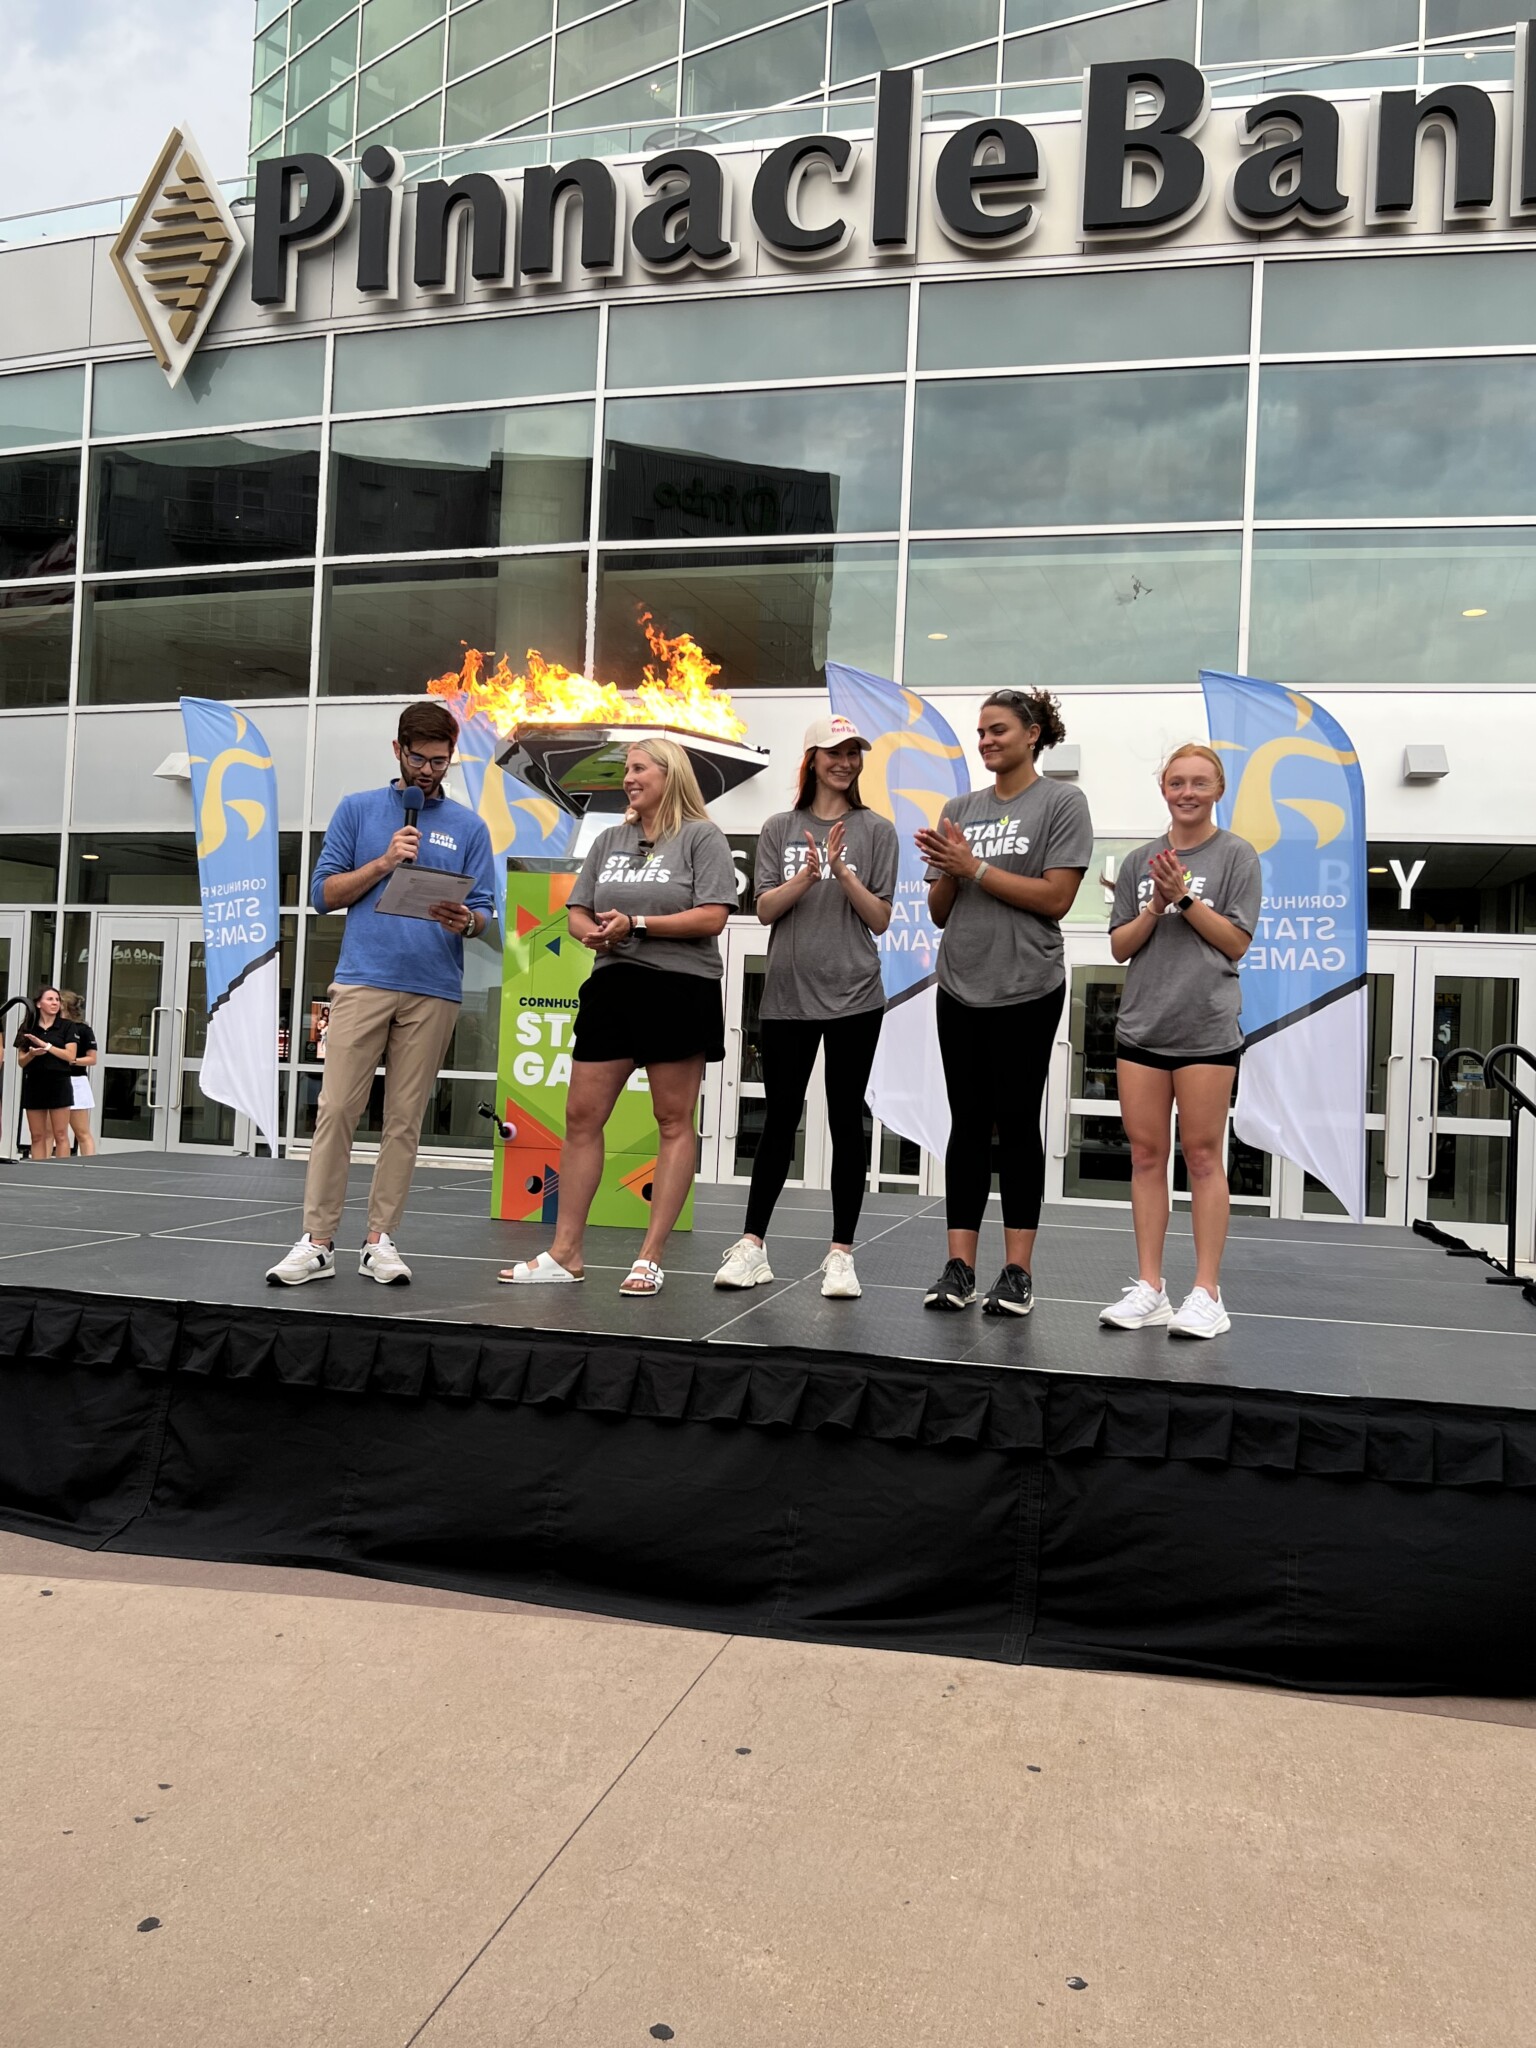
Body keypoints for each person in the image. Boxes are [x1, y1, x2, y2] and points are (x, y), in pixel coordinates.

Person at [266, 700, 497, 1287]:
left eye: (441, 762)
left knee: (404, 1121)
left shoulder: (470, 827)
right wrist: (384, 862)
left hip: (434, 988)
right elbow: (323, 894)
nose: (429, 771)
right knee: (336, 1109)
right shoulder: (357, 810)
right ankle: (317, 1242)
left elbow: (487, 915)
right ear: (398, 751)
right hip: (363, 979)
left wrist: (464, 922)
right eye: (420, 759)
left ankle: (380, 1241)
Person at [500, 736, 737, 1297]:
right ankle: (566, 1252)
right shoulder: (610, 838)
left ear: (669, 774)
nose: (628, 778)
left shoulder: (702, 837)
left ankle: (651, 1257)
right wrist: (594, 933)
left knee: (673, 1121)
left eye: (637, 768)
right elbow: (577, 910)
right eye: (625, 770)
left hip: (679, 987)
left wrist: (638, 925)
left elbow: (713, 917)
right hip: (612, 985)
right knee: (581, 1116)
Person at [915, 689, 1092, 1317]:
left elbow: (1056, 899)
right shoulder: (959, 808)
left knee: (1015, 1125)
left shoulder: (1062, 802)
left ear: (1033, 733)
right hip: (960, 983)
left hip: (1027, 987)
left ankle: (1017, 1274)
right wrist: (949, 869)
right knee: (966, 1125)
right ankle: (958, 1268)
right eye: (981, 732)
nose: (986, 741)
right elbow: (938, 912)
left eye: (998, 730)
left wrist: (975, 865)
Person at [715, 713, 898, 1301]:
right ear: (812, 759)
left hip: (854, 998)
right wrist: (808, 875)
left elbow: (881, 919)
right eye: (834, 752)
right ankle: (752, 1247)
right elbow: (765, 910)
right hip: (788, 1000)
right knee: (778, 1121)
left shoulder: (878, 831)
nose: (845, 761)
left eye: (853, 752)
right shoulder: (779, 826)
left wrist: (842, 873)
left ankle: (841, 1255)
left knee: (848, 1122)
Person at [1099, 743, 1262, 1341]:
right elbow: (1120, 947)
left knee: (1201, 1156)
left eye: (1199, 782)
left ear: (1218, 790)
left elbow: (1236, 942)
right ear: (1163, 789)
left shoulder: (1237, 855)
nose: (1187, 792)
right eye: (1177, 782)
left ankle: (1207, 1293)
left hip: (1206, 1029)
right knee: (1145, 1157)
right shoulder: (1142, 858)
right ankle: (1150, 1287)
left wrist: (1185, 899)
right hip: (1142, 1027)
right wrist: (1157, 902)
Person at [15, 986, 78, 1163]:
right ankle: (37, 1171)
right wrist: (32, 1054)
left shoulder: (67, 1026)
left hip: (59, 1082)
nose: (55, 1003)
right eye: (50, 999)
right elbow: (21, 1061)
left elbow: (70, 1056)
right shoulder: (28, 1027)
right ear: (38, 1003)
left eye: (57, 1000)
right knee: (37, 1135)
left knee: (60, 1134)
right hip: (34, 1082)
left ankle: (62, 1172)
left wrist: (46, 1046)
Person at [58, 990, 97, 1157]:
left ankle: (88, 1164)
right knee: (57, 1133)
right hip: (55, 1079)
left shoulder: (83, 1030)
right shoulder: (51, 1028)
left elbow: (92, 1059)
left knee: (81, 1131)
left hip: (76, 1081)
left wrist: (72, 1060)